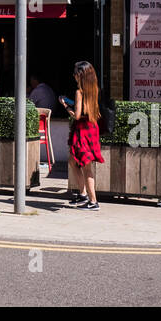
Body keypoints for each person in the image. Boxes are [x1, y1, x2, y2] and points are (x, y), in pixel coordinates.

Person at [66, 61, 104, 210]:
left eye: (76, 73)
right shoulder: (94, 89)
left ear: (81, 76)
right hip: (91, 129)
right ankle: (82, 194)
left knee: (86, 167)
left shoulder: (79, 92)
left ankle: (93, 201)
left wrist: (65, 105)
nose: (74, 76)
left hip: (82, 131)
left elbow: (76, 115)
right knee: (72, 160)